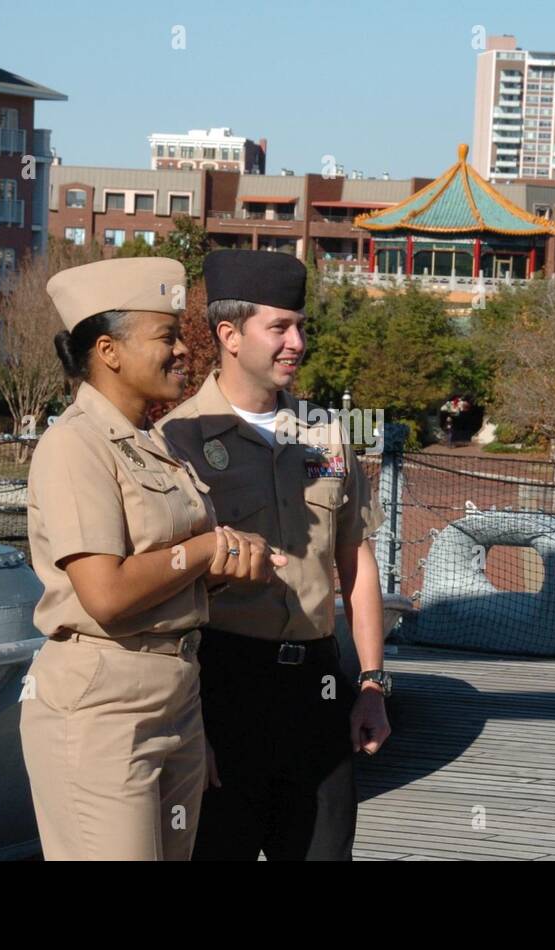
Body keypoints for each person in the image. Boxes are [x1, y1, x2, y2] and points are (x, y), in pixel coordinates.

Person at [20, 257, 285, 861]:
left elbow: (169, 570)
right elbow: (106, 594)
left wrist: (223, 567)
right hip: (103, 704)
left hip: (176, 692)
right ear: (109, 351)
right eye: (165, 337)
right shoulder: (75, 446)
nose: (183, 350)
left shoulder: (150, 445)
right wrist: (204, 549)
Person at [158, 249, 392, 861]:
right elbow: (164, 586)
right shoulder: (176, 441)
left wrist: (370, 682)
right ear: (230, 335)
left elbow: (356, 560)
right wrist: (188, 724)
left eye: (301, 326)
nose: (297, 342)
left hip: (317, 682)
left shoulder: (328, 432)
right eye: (280, 327)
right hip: (221, 685)